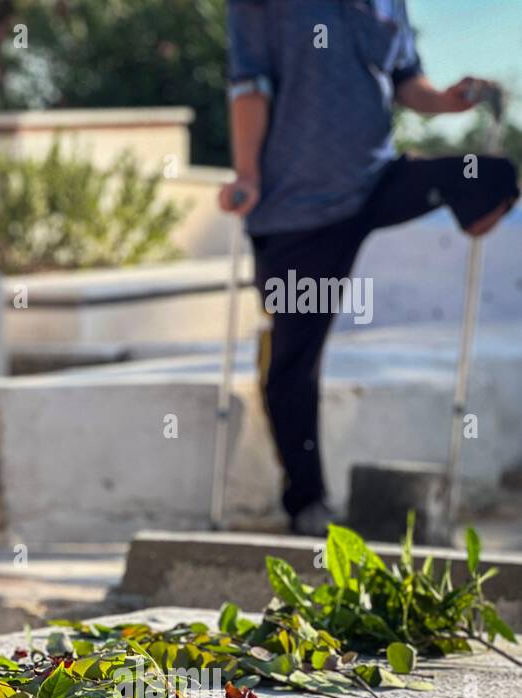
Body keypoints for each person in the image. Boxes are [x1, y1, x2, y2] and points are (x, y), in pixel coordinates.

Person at [219, 0, 520, 535]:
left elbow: (408, 85)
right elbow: (250, 87)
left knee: (492, 175)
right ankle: (307, 503)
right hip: (297, 209)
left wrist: (452, 101)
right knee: (295, 360)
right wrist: (247, 175)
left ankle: (471, 217)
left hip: (376, 180)